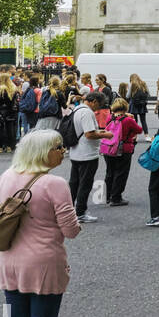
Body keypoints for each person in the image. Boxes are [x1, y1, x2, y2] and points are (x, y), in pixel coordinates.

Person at [0, 128, 81, 317]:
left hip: (9, 262)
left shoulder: (7, 175)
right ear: (42, 152)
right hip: (43, 264)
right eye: (58, 147)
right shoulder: (55, 184)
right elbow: (70, 231)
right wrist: (77, 225)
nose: (63, 150)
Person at [69, 91, 113, 221]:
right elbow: (89, 134)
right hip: (87, 153)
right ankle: (80, 213)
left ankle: (69, 210)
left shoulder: (77, 109)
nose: (98, 108)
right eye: (98, 105)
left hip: (76, 151)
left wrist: (99, 131)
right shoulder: (87, 112)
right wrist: (105, 135)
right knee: (85, 184)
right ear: (93, 101)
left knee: (74, 183)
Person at [100, 98, 142, 206]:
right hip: (123, 148)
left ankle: (107, 196)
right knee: (121, 173)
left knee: (110, 172)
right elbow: (139, 130)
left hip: (108, 147)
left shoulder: (109, 118)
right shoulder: (128, 120)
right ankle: (116, 197)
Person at [0, 72, 19, 153]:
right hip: (11, 111)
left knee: (1, 129)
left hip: (2, 111)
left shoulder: (0, 88)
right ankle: (9, 146)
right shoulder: (13, 88)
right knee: (10, 129)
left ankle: (1, 147)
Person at [17, 74, 41, 138]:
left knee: (27, 124)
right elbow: (39, 101)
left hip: (28, 108)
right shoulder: (38, 90)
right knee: (34, 126)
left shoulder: (29, 89)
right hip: (36, 110)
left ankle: (26, 137)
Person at [128, 75, 150, 141]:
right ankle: (147, 136)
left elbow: (128, 95)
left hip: (134, 104)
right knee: (143, 121)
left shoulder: (132, 84)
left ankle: (135, 136)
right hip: (142, 105)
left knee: (135, 121)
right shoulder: (143, 83)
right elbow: (148, 93)